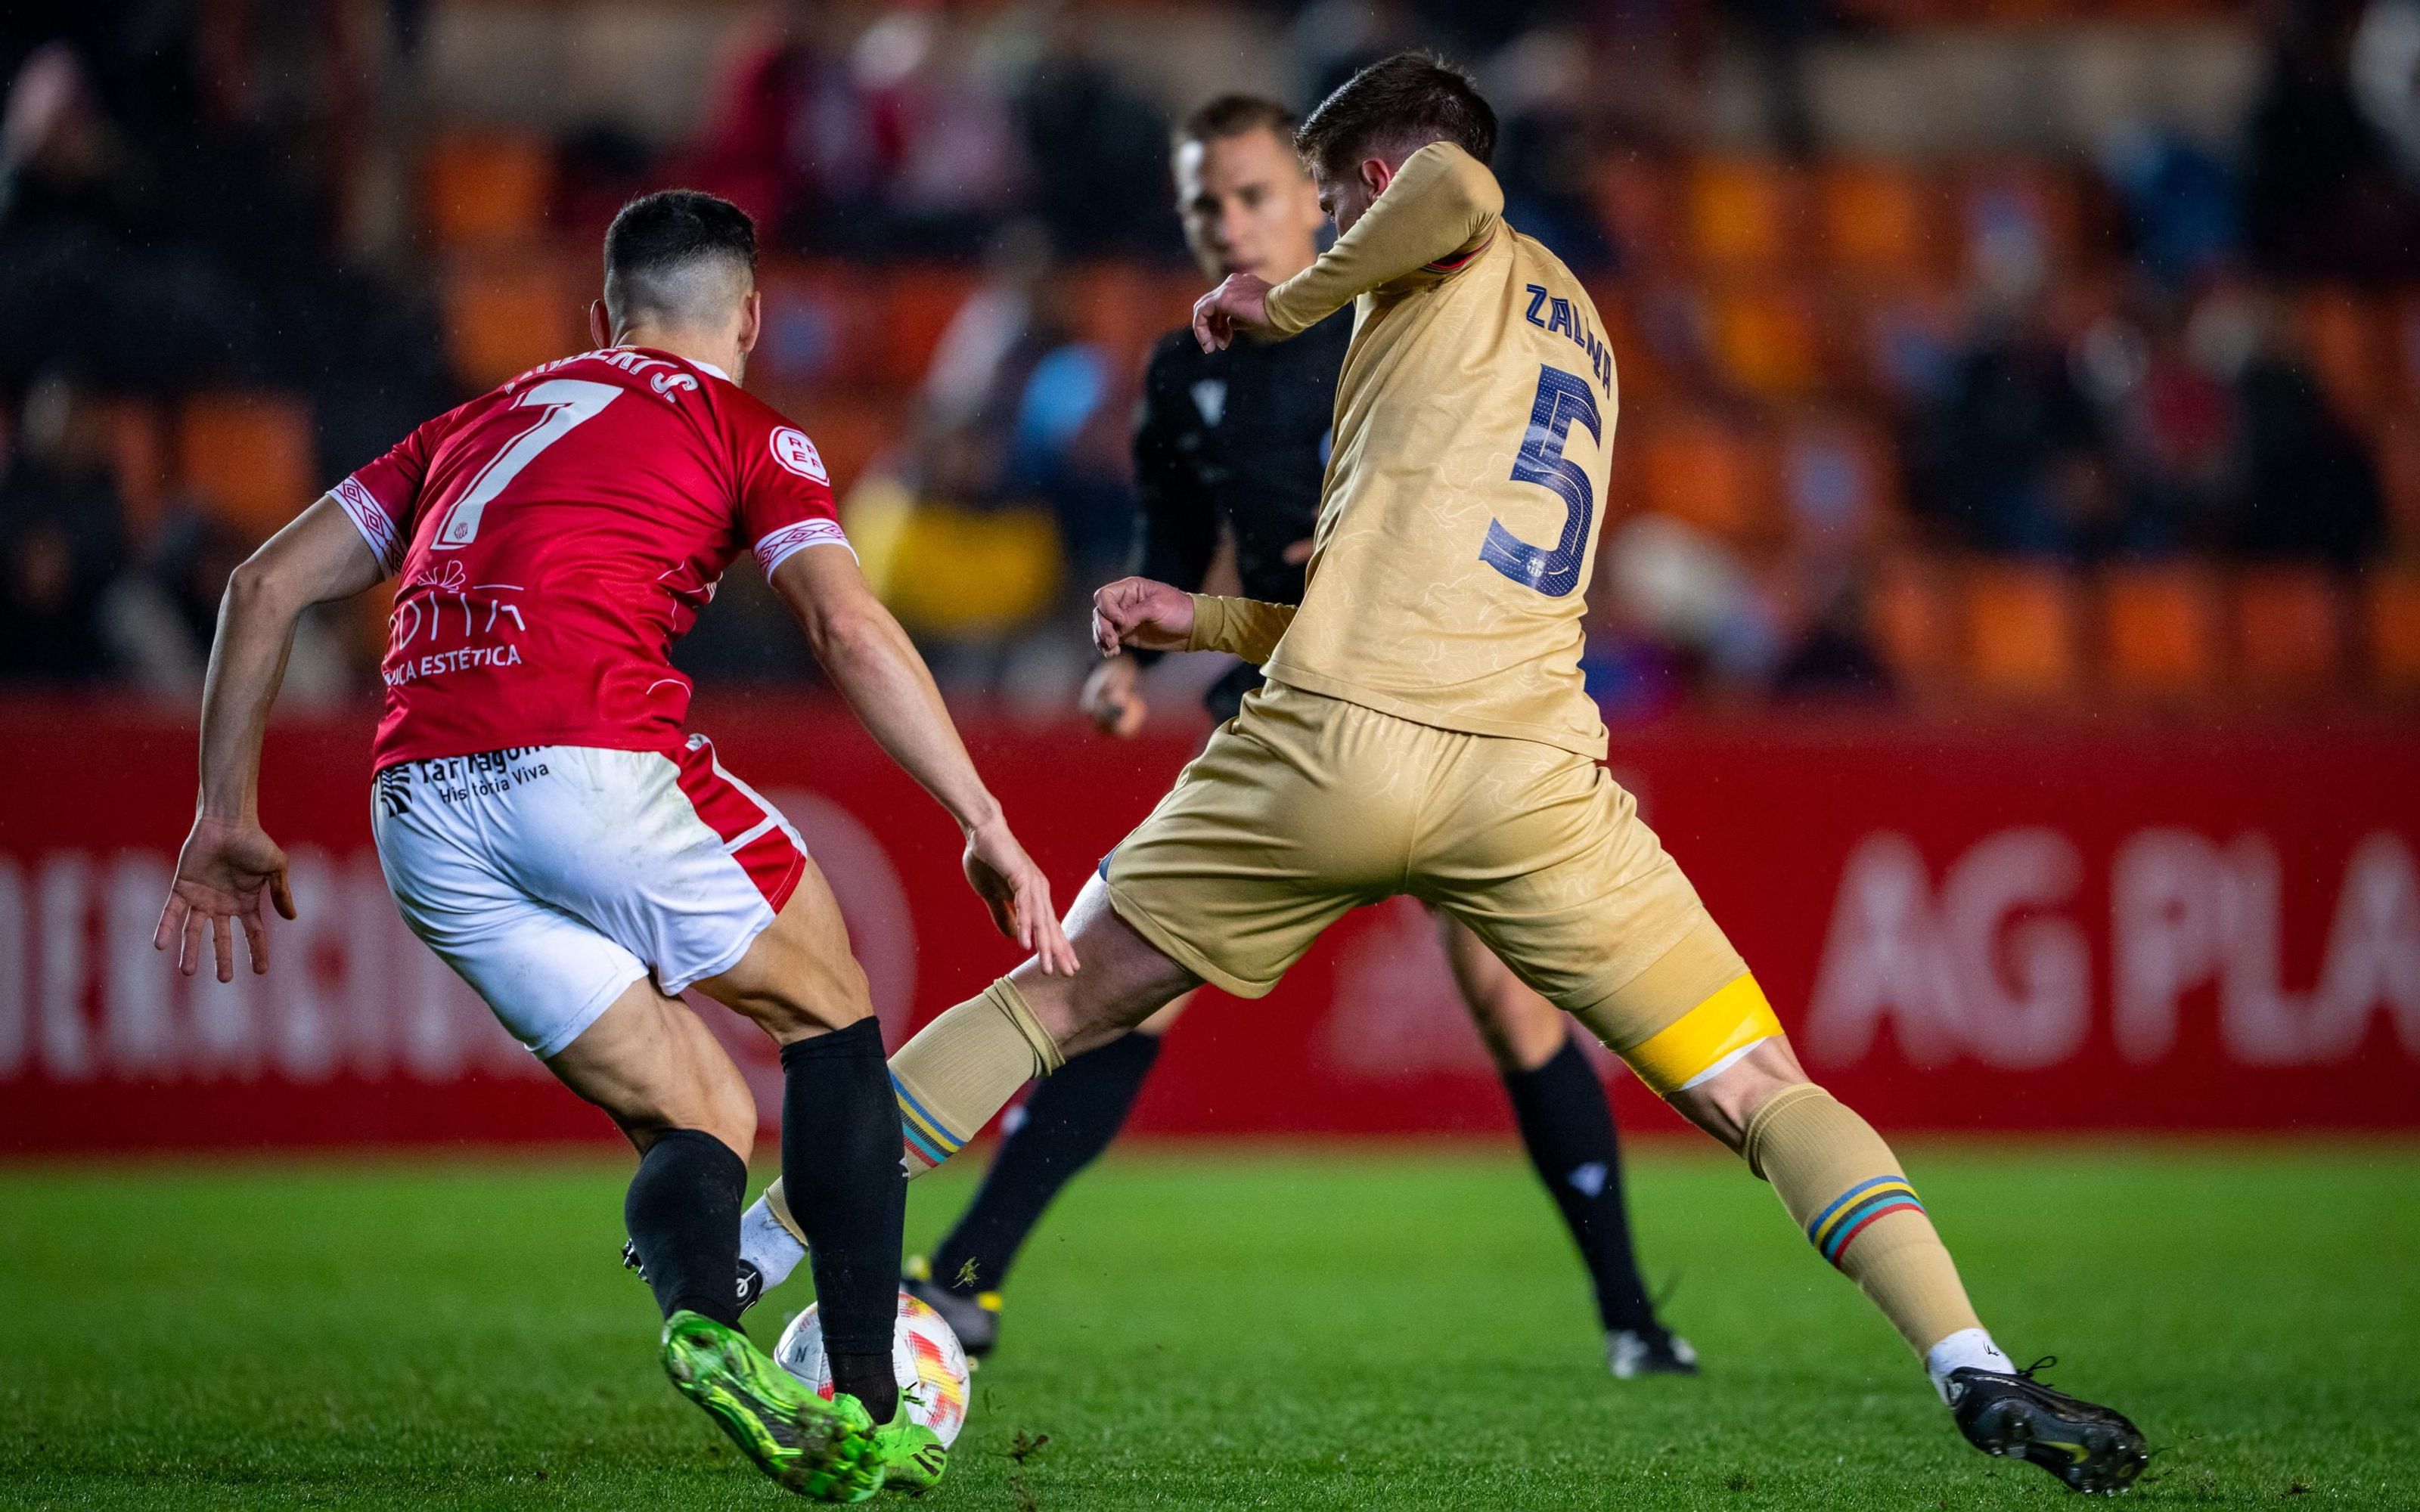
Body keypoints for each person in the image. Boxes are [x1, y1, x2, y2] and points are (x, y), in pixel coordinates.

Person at [878, 55, 2149, 1494]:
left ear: (1366, 185)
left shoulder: (1449, 232)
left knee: (1057, 1001)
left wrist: (1282, 298)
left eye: (1325, 194)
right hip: (1527, 781)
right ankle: (1970, 1364)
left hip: (1335, 746)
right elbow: (1409, 585)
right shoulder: (1577, 332)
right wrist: (1205, 621)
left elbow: (1459, 178)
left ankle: (759, 1247)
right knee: (1759, 1085)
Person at [732, 92, 1695, 1380]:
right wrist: (1131, 656)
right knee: (1117, 994)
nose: (1228, 222)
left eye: (1251, 193)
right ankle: (969, 1281)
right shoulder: (1191, 369)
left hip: (1439, 692)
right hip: (1288, 691)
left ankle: (1631, 1312)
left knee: (1512, 1010)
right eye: (1204, 203)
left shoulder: (1394, 310)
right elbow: (1175, 541)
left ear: (1320, 197)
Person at [150, 190, 1075, 1501]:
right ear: (750, 316)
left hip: (417, 802)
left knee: (693, 1109)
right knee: (831, 1012)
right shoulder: (746, 425)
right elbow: (845, 627)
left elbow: (263, 586)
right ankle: (871, 1403)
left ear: (601, 316)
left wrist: (223, 816)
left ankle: (703, 1318)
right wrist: (981, 815)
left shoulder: (475, 421)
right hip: (581, 752)